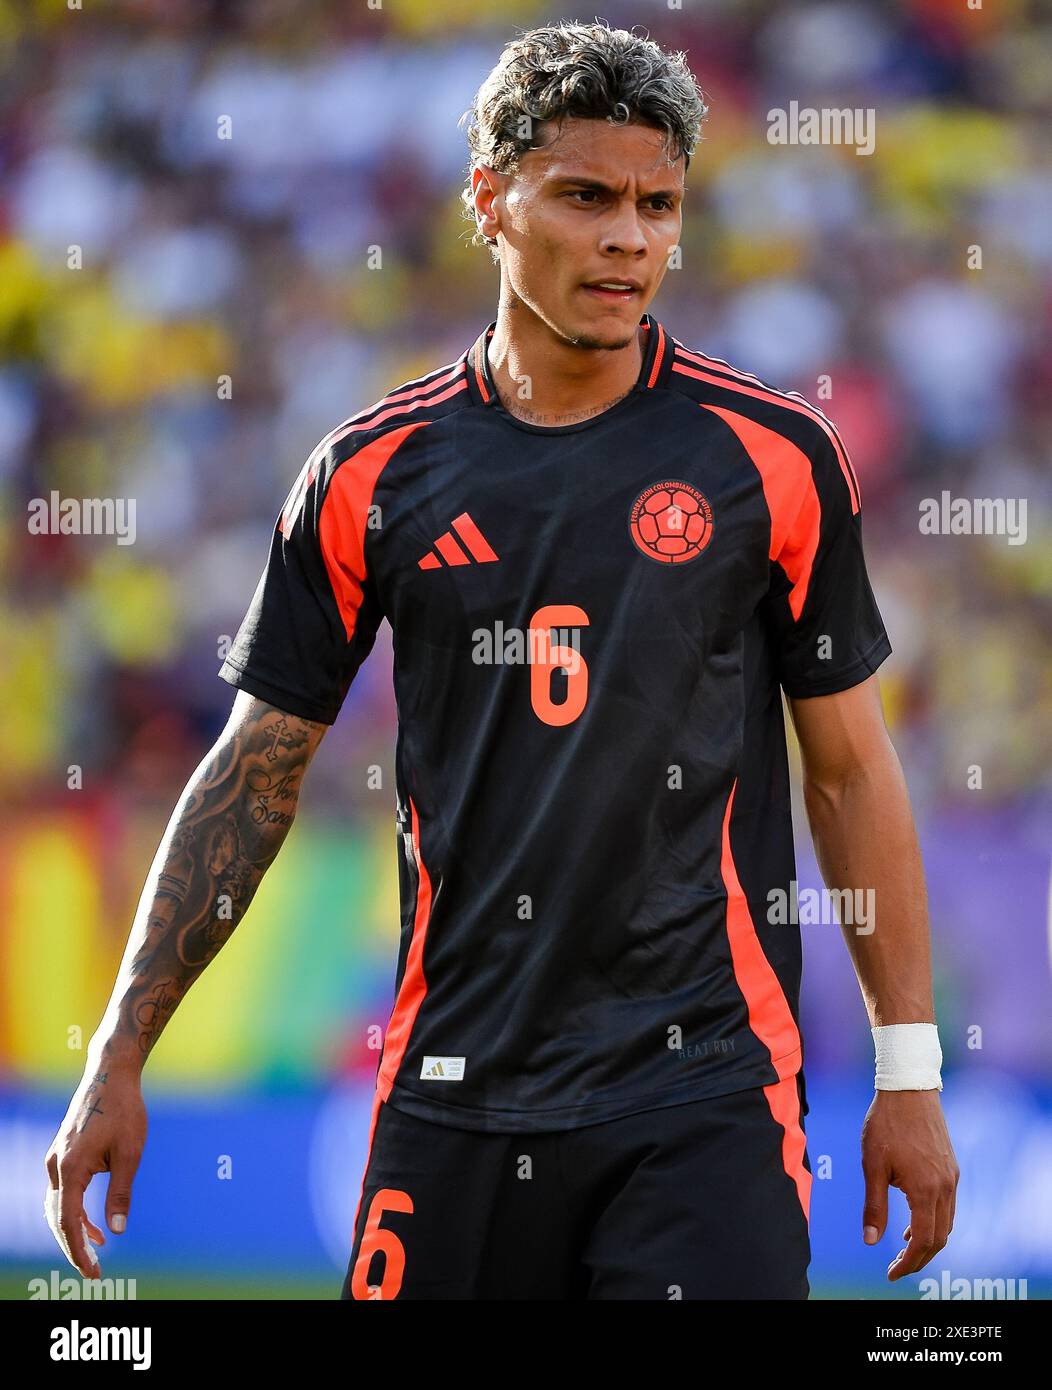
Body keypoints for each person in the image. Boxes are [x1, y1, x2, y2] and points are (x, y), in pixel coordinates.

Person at [44, 20, 958, 1300]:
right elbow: (255, 767)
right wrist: (120, 1050)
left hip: (703, 1091)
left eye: (657, 204)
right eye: (585, 196)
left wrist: (907, 1073)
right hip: (454, 1091)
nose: (629, 238)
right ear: (488, 201)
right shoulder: (369, 476)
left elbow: (853, 772)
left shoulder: (772, 459)